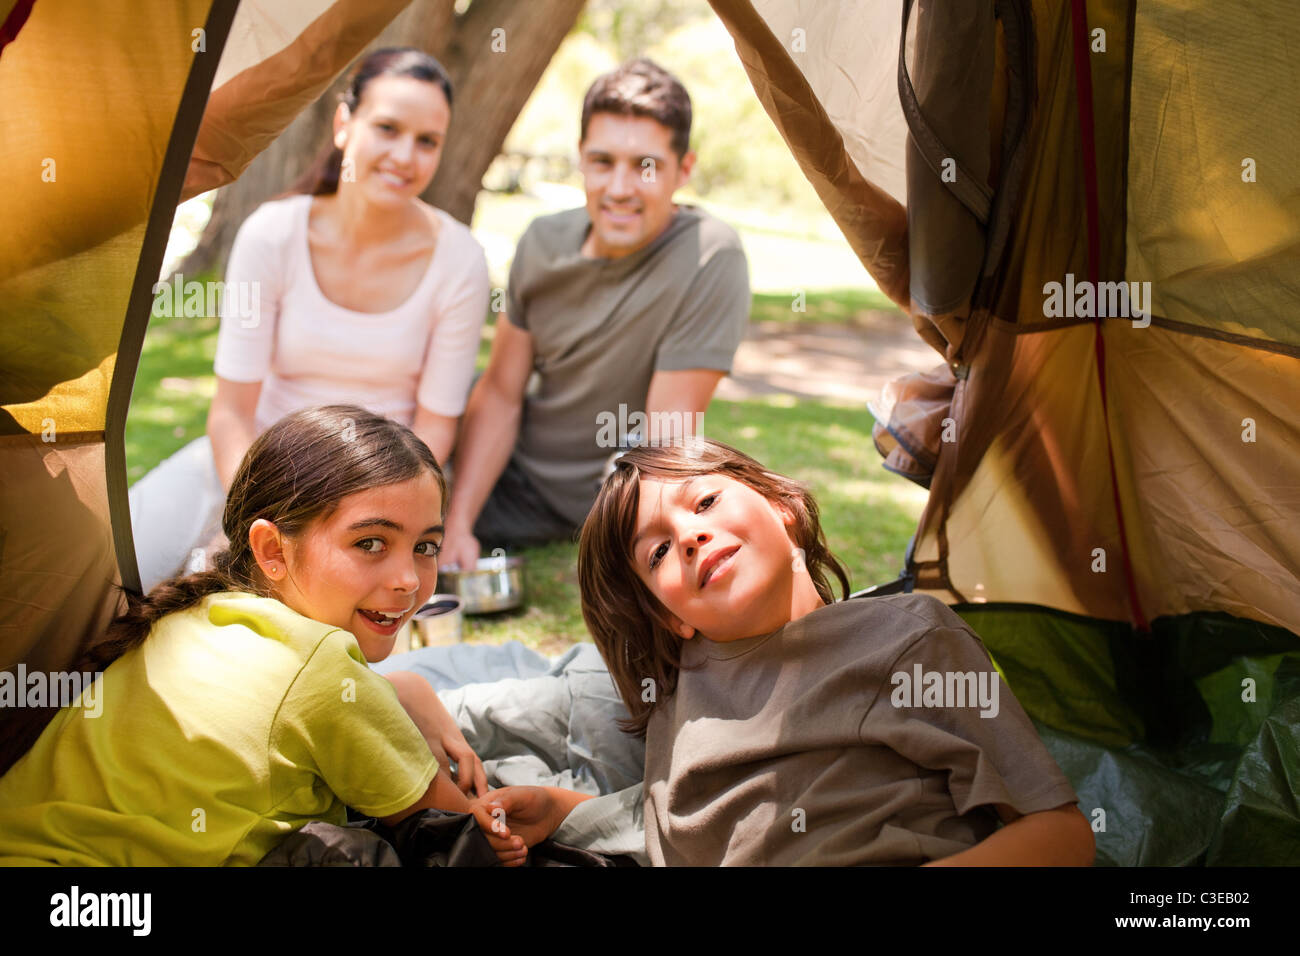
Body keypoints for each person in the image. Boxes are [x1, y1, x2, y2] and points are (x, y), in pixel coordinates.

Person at [0, 406, 552, 867]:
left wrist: (404, 692)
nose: (408, 579)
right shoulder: (322, 668)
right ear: (271, 550)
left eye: (425, 546)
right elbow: (461, 838)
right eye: (370, 544)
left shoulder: (196, 615)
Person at [572, 437, 1097, 866]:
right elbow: (679, 821)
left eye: (705, 502)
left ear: (782, 508)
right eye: (658, 551)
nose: (689, 535)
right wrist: (565, 812)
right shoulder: (677, 698)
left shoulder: (905, 638)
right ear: (669, 616)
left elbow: (1060, 835)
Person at [130, 48, 489, 593]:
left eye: (426, 141)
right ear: (344, 124)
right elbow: (230, 413)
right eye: (387, 128)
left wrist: (364, 519)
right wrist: (248, 518)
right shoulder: (271, 234)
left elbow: (436, 428)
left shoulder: (459, 258)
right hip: (248, 467)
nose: (403, 155)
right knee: (111, 568)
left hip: (377, 491)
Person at [438, 58, 750, 571]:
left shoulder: (709, 256)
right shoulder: (542, 241)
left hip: (609, 498)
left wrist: (622, 534)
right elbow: (499, 391)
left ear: (684, 169)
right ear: (581, 160)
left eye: (645, 166)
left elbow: (665, 434)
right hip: (512, 481)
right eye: (602, 162)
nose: (620, 188)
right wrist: (460, 523)